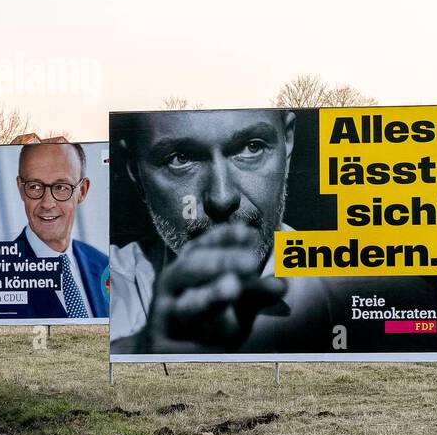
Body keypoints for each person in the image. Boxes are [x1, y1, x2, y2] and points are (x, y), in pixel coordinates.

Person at [109, 108, 331, 355]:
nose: (222, 198)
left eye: (251, 147)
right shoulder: (103, 285)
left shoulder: (353, 284)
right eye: (180, 158)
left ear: (288, 142)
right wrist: (143, 350)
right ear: (136, 172)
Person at [0, 139, 108, 321]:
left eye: (61, 187)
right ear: (20, 188)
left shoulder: (103, 265)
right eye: (35, 187)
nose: (47, 203)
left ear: (82, 191)